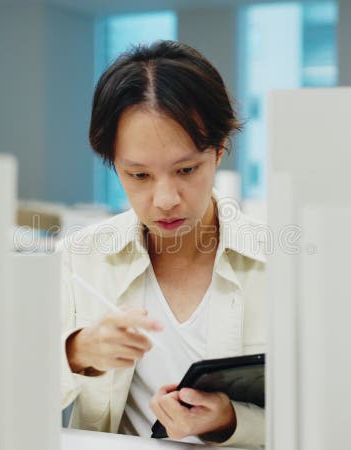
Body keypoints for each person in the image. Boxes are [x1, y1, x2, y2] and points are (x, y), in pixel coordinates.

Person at [59, 40, 266, 449]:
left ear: (220, 150)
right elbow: (5, 392)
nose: (165, 199)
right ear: (114, 164)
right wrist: (77, 353)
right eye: (138, 176)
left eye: (186, 169)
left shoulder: (276, 264)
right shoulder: (81, 257)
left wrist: (230, 420)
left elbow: (325, 412)